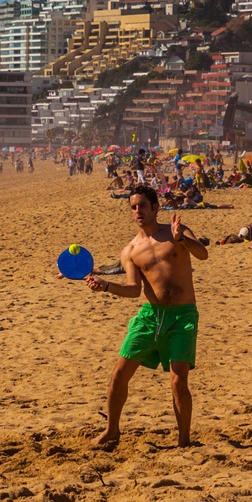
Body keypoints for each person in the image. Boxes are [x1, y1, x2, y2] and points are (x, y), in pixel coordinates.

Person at [83, 185, 207, 449]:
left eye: (142, 205)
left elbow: (203, 254)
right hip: (150, 316)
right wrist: (105, 285)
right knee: (119, 374)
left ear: (155, 208)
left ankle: (183, 440)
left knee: (178, 379)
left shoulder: (177, 232)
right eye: (133, 207)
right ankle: (111, 430)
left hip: (182, 316)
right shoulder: (130, 250)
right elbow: (133, 290)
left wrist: (182, 239)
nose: (137, 211)